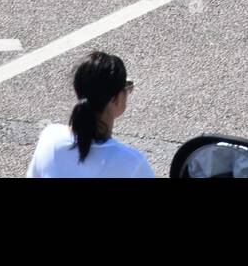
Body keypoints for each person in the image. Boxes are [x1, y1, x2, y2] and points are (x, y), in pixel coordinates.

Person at [26, 51, 155, 178]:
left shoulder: (50, 139)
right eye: (127, 88)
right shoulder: (133, 165)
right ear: (116, 99)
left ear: (77, 91)